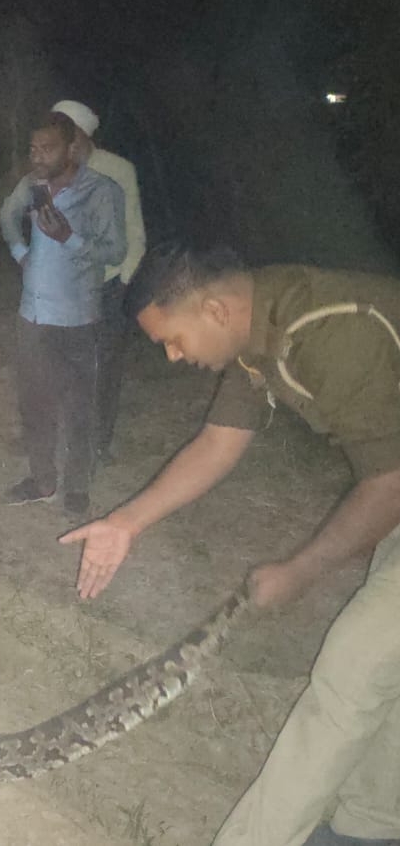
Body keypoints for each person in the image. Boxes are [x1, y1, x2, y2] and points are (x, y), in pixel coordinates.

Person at [60, 243, 400, 846]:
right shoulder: (256, 327)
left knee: (353, 665)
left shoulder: (329, 329)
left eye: (173, 339)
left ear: (214, 309)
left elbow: (390, 481)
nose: (171, 356)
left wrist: (302, 569)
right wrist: (126, 523)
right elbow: (218, 444)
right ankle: (371, 825)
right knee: (383, 666)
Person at [0, 111, 126, 518]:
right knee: (34, 404)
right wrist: (22, 253)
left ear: (71, 149)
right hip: (32, 314)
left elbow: (115, 252)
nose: (37, 157)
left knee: (78, 408)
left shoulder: (101, 191)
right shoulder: (32, 187)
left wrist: (67, 238)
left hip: (78, 317)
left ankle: (76, 487)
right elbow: (5, 215)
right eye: (33, 149)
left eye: (46, 148)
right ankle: (41, 480)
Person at [50, 100, 146, 466]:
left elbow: (134, 231)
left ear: (82, 135)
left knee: (103, 370)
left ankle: (98, 445)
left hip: (107, 284)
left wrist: (123, 281)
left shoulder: (118, 170)